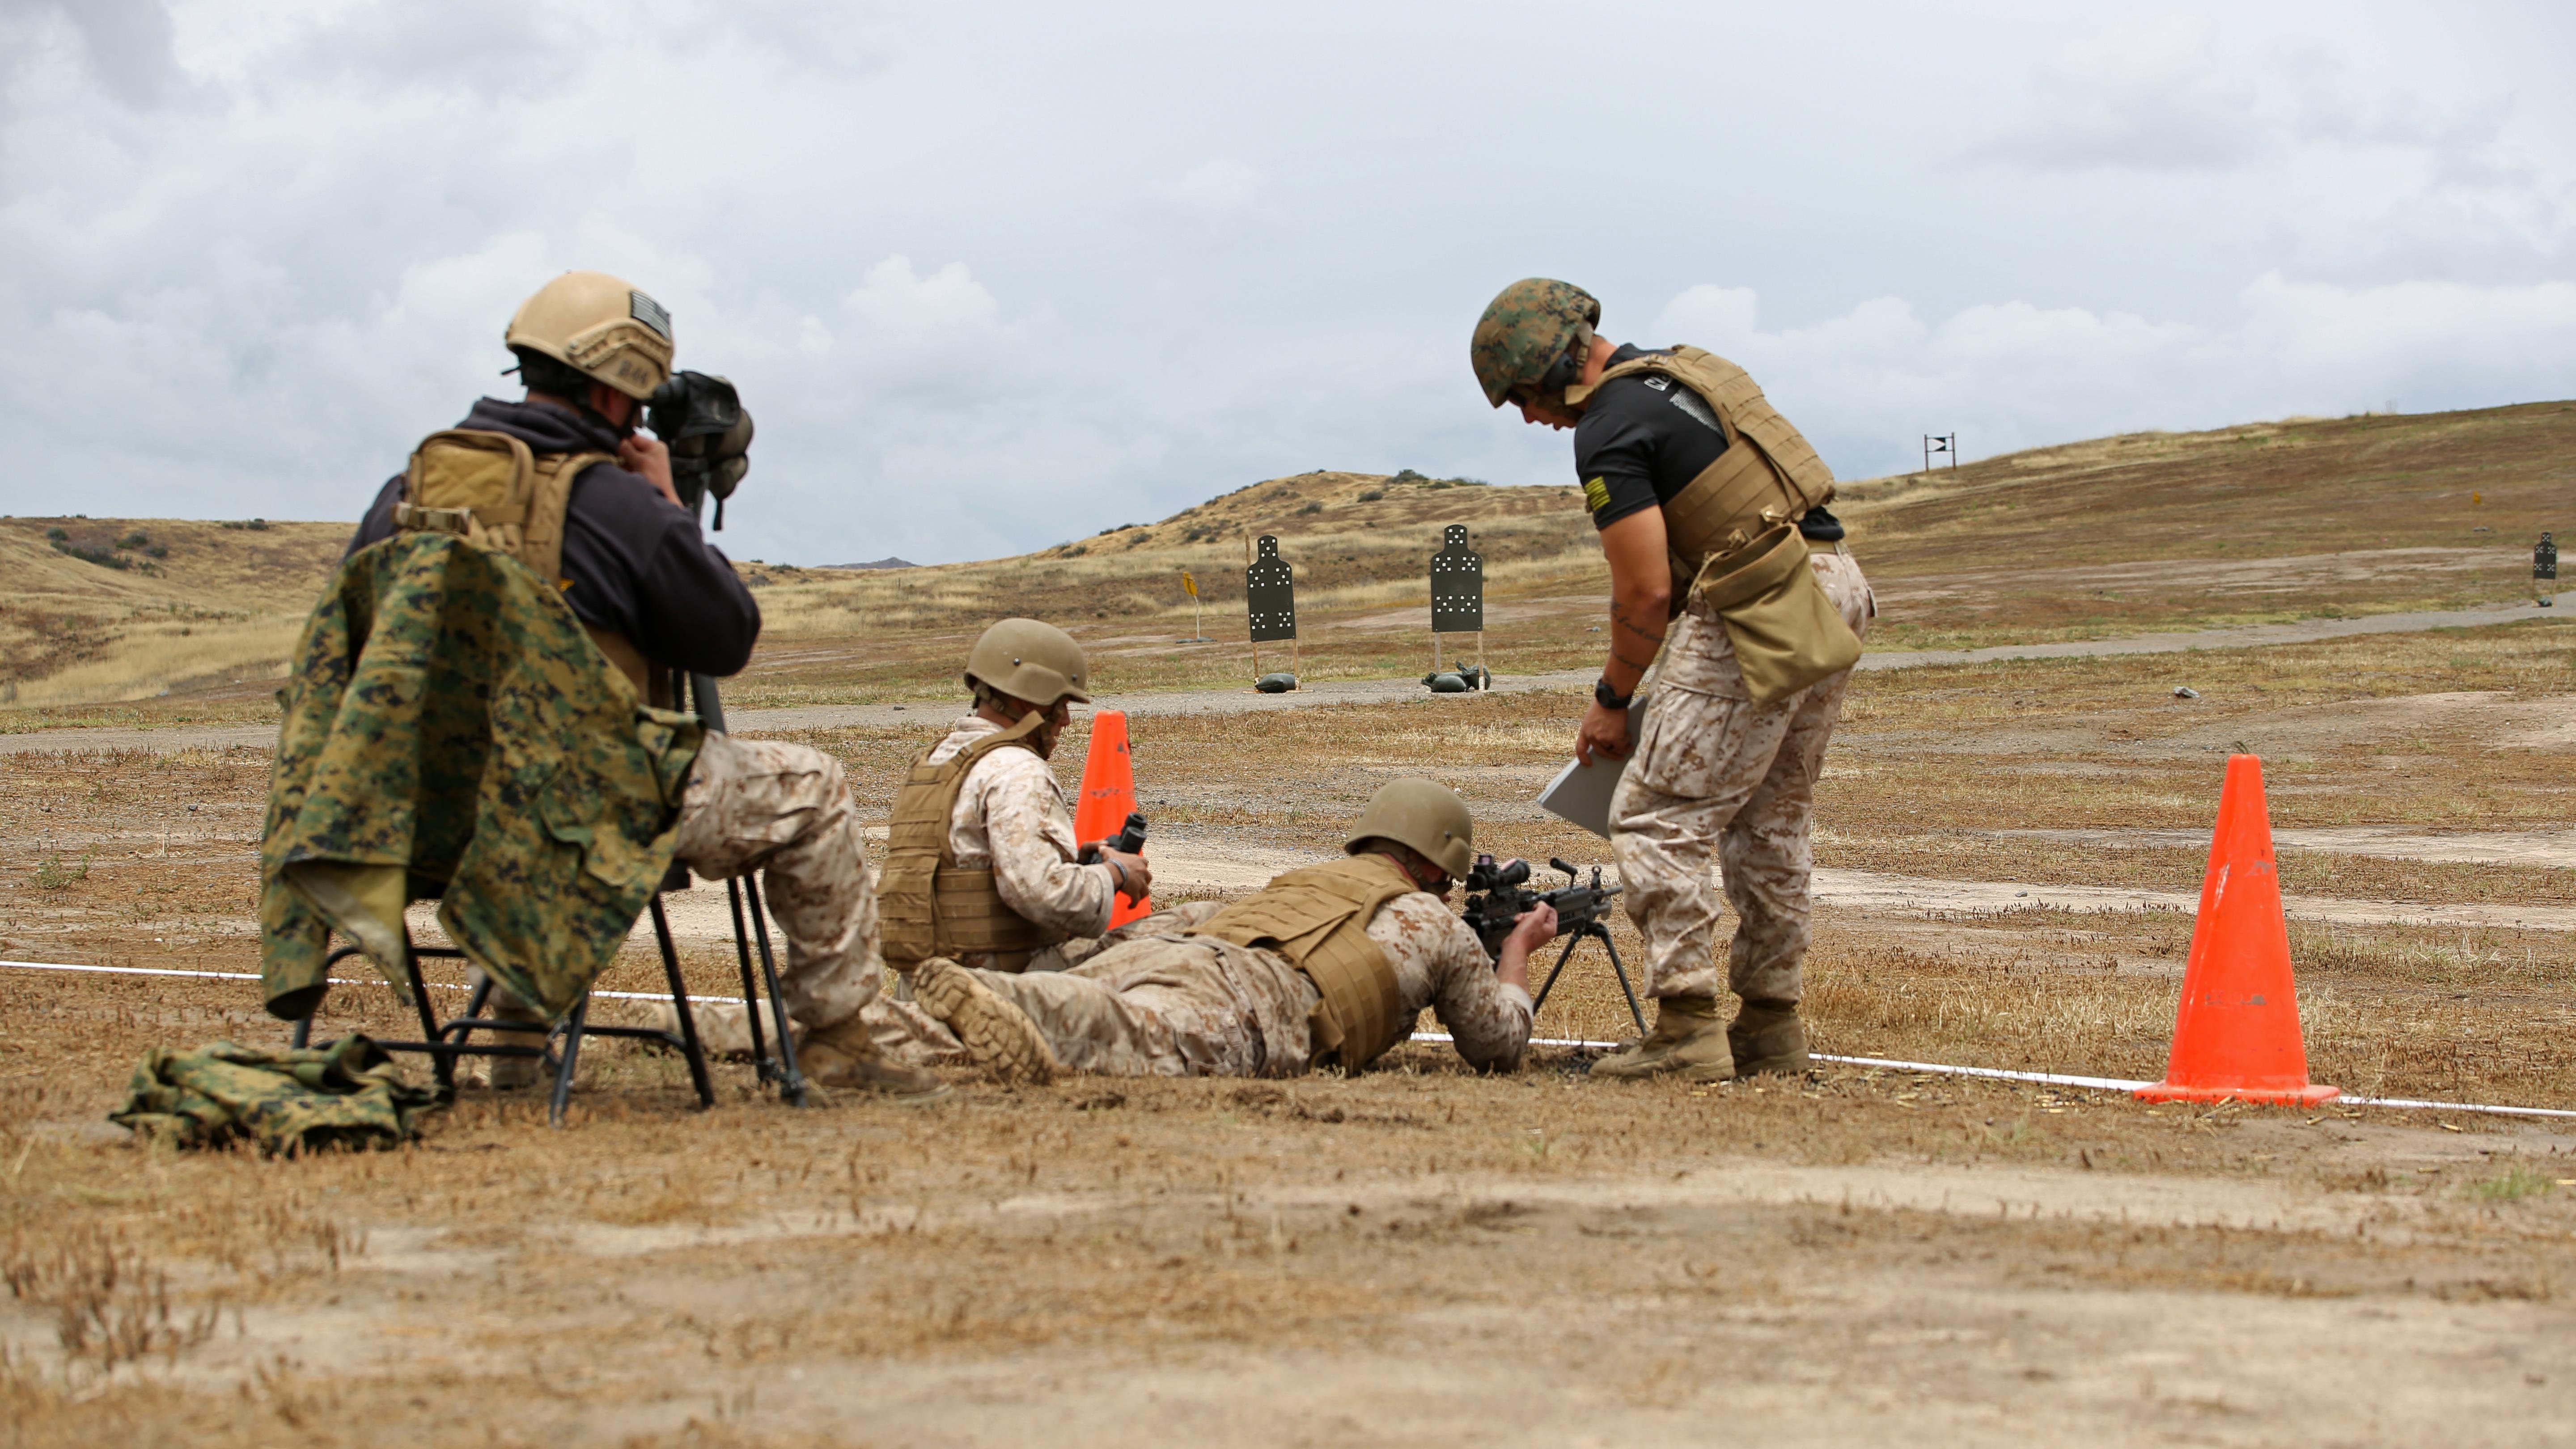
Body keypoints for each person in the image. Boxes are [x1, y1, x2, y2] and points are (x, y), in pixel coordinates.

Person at [345, 270, 943, 1101]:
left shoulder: (406, 495)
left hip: (415, 816)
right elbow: (725, 635)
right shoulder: (608, 501)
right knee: (810, 786)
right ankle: (843, 1038)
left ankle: (516, 1055)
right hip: (570, 812)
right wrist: (666, 503)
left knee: (565, 793)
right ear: (619, 385)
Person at [1470, 278, 1874, 1082]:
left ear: (1548, 367)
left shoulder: (1610, 426)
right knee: (1771, 820)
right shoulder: (1687, 374)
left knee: (1657, 816)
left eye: (1520, 397)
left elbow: (1647, 591)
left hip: (1754, 599)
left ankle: (1687, 1029)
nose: (1527, 418)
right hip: (1833, 582)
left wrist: (1613, 700)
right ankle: (1770, 1025)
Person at [907, 779, 1554, 1081]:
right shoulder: (1436, 924)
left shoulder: (1307, 880)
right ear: (1437, 866)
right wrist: (1516, 955)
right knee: (1118, 1029)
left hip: (1175, 947)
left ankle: (885, 1024)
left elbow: (1194, 919)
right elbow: (1497, 1045)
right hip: (1247, 997)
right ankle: (1006, 998)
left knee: (1089, 1003)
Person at [877, 618, 1152, 979]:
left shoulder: (935, 762)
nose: (1067, 720)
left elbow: (966, 870)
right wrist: (1116, 873)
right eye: (1061, 704)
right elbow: (1044, 895)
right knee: (1175, 941)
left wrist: (1075, 860)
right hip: (1001, 986)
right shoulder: (1016, 770)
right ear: (1027, 701)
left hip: (928, 981)